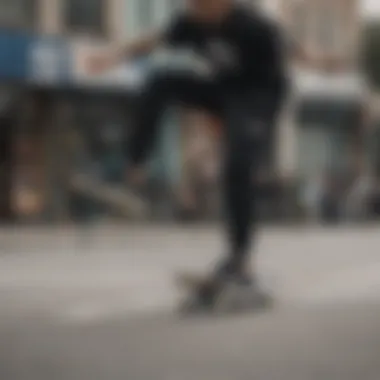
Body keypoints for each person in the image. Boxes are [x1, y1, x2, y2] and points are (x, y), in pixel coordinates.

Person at [87, 0, 341, 304]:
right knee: (160, 82)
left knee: (237, 164)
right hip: (224, 93)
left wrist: (321, 62)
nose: (197, 13)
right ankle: (137, 159)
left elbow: (292, 48)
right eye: (194, 7)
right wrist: (112, 56)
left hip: (260, 98)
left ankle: (240, 259)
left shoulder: (252, 25)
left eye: (204, 7)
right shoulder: (190, 22)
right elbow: (152, 41)